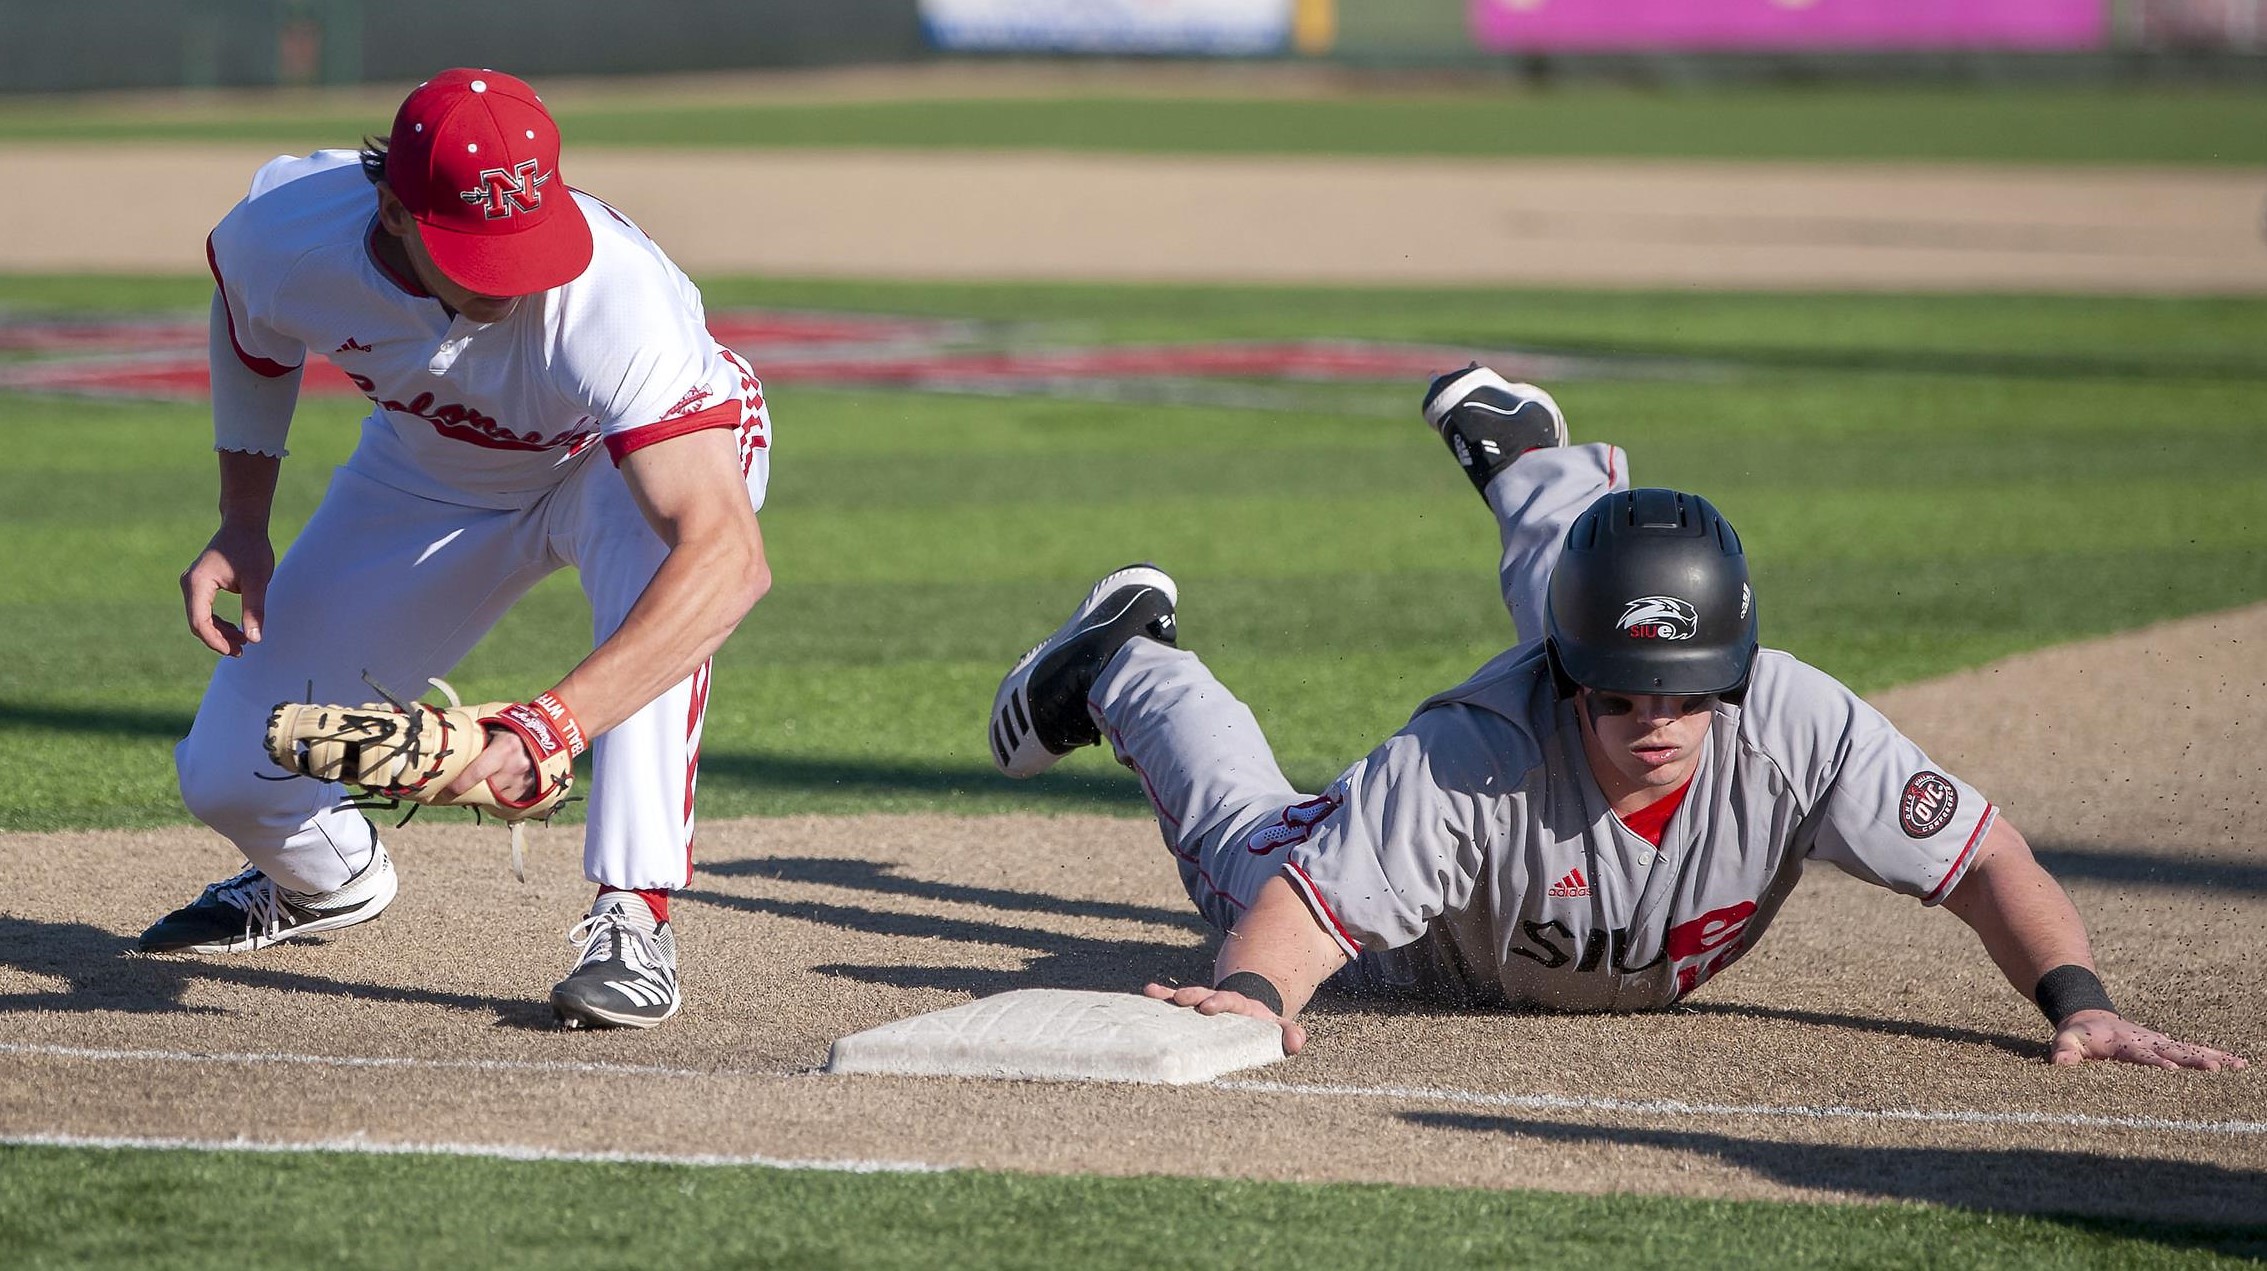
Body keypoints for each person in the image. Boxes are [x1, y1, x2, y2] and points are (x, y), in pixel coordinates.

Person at [987, 365, 2246, 1071]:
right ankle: (1128, 660)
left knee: (1619, 591)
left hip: (1566, 774)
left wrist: (2075, 997)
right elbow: (1301, 915)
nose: (1654, 718)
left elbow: (1982, 861)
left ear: (1731, 678)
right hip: (1412, 949)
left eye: (1683, 693)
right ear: (1567, 682)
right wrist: (1255, 994)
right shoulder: (1471, 751)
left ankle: (1531, 459)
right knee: (1241, 851)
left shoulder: (1797, 722)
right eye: (1619, 695)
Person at [142, 68, 773, 1031]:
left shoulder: (613, 295)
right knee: (227, 769)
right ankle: (327, 881)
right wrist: (242, 515)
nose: (514, 276)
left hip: (620, 459)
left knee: (659, 559)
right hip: (429, 473)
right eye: (480, 253)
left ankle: (633, 913)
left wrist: (549, 729)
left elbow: (727, 557)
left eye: (528, 239)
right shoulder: (285, 229)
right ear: (394, 208)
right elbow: (252, 328)